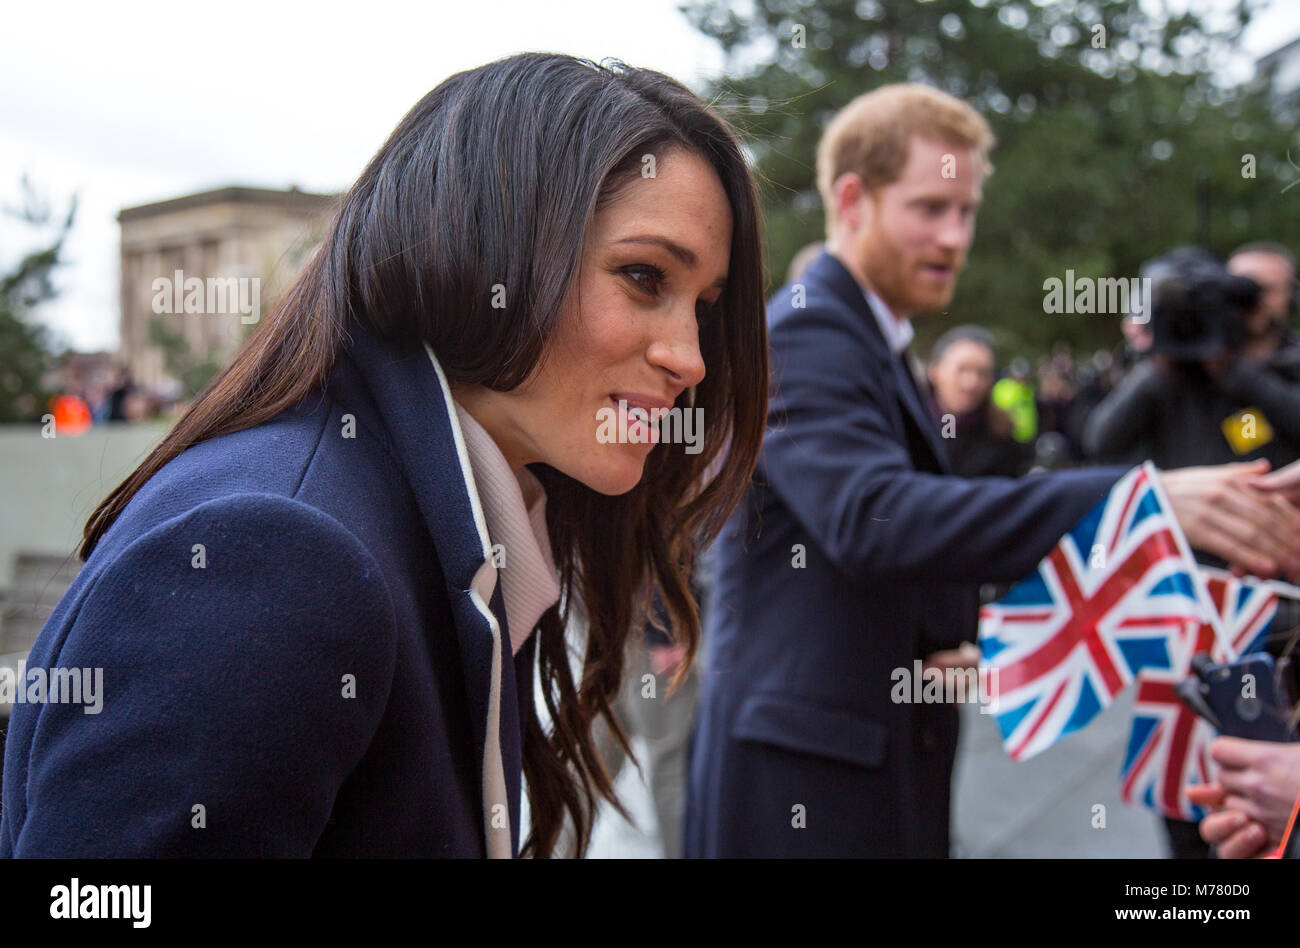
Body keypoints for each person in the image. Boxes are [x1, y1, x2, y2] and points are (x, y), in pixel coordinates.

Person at [0, 53, 769, 858]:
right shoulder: (279, 558)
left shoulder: (415, 521)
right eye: (644, 277)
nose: (692, 358)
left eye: (706, 308)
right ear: (489, 246)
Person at [683, 82, 1300, 858]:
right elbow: (876, 518)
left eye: (967, 210)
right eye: (930, 207)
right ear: (852, 198)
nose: (954, 236)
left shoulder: (868, 336)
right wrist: (1142, 501)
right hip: (805, 774)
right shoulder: (812, 330)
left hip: (855, 744)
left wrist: (939, 633)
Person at [924, 325, 1030, 478]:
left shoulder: (1002, 437)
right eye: (962, 369)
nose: (971, 383)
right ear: (935, 370)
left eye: (983, 373)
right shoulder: (906, 427)